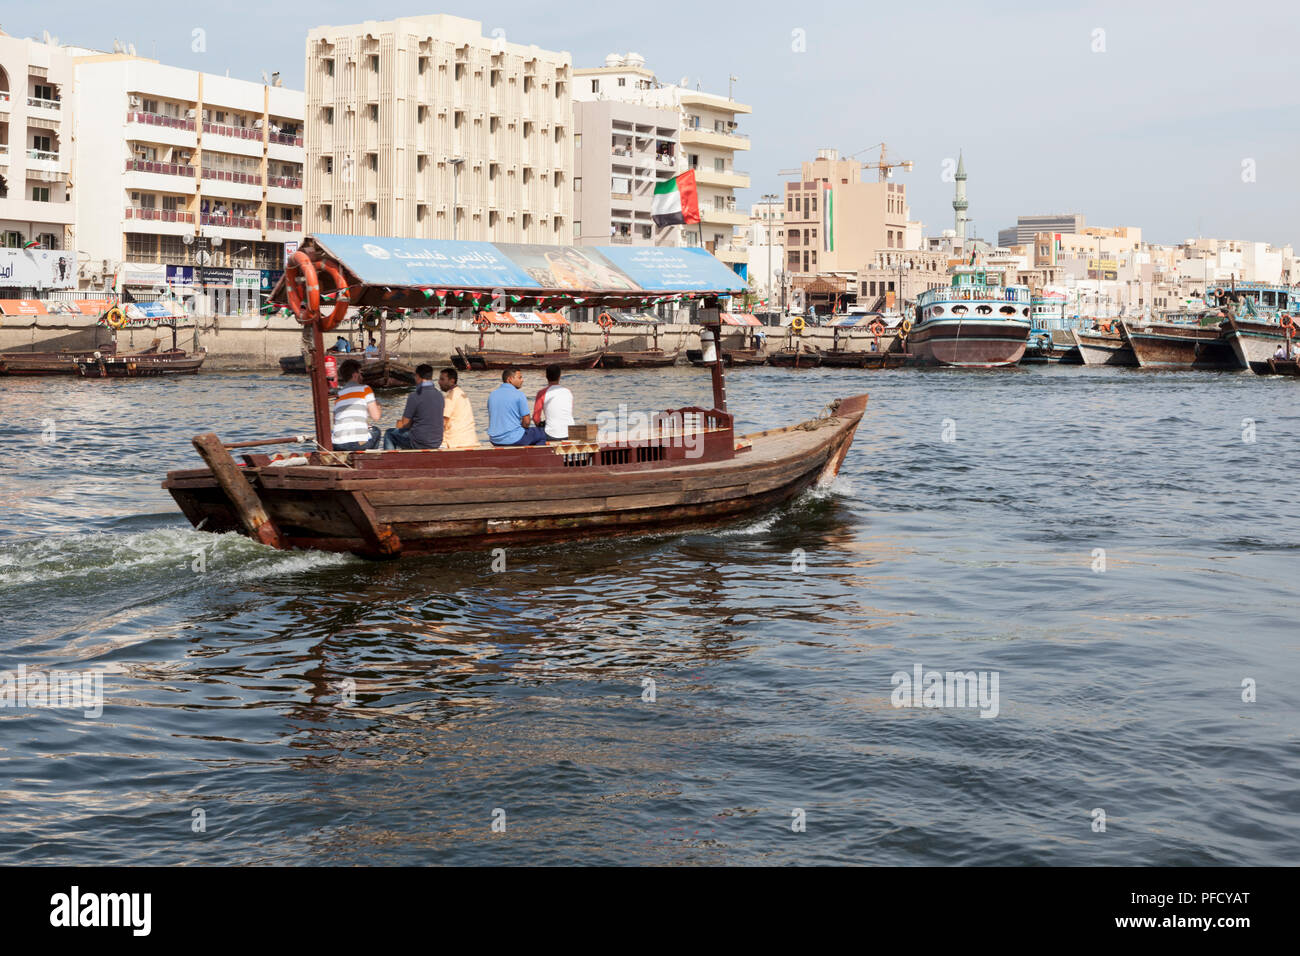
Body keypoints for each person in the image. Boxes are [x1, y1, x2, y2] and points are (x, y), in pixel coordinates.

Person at [383, 364, 445, 450]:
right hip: (437, 441)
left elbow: (405, 423)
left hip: (419, 441)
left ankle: (389, 461)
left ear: (418, 376)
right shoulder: (440, 395)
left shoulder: (415, 396)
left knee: (390, 433)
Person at [487, 367, 548, 446]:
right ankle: (535, 457)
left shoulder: (492, 395)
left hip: (495, 439)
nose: (522, 380)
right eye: (519, 377)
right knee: (541, 434)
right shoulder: (519, 395)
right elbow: (526, 422)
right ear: (510, 379)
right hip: (514, 439)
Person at [332, 359, 381, 451]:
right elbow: (376, 417)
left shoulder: (339, 394)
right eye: (360, 373)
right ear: (355, 375)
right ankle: (371, 460)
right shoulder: (365, 389)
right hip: (357, 443)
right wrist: (378, 406)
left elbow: (335, 421)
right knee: (376, 431)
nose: (362, 377)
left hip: (338, 444)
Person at [439, 367, 478, 448]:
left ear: (452, 381)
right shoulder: (461, 393)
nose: (439, 382)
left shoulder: (450, 396)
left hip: (455, 442)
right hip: (470, 440)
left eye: (442, 379)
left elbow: (443, 422)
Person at [538, 364, 575, 442]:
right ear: (559, 376)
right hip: (570, 433)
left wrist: (540, 424)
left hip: (551, 435)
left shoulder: (542, 393)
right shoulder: (568, 392)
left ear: (546, 376)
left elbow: (536, 418)